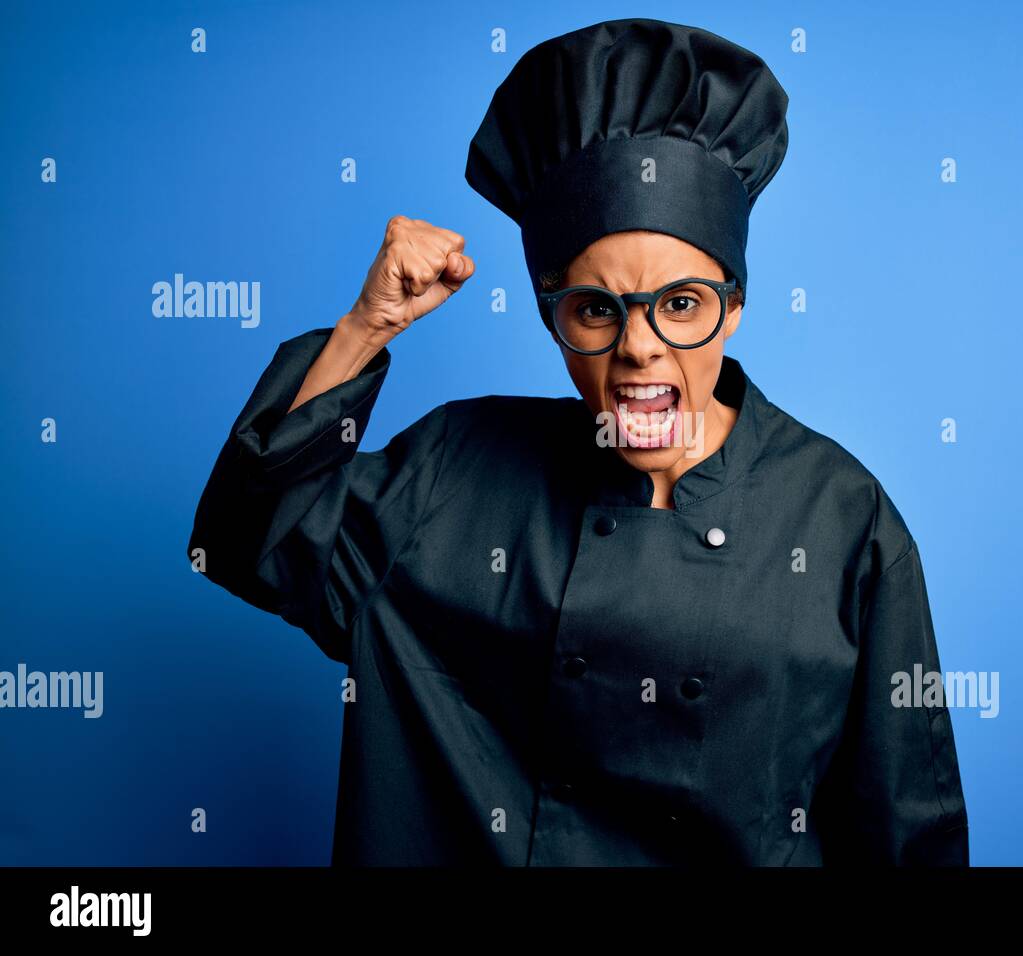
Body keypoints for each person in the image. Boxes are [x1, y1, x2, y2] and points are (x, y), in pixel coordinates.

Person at [188, 17, 969, 866]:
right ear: (554, 323)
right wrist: (365, 327)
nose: (640, 346)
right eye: (597, 309)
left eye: (680, 303)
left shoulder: (842, 518)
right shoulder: (458, 467)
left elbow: (909, 835)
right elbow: (243, 540)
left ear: (733, 308)